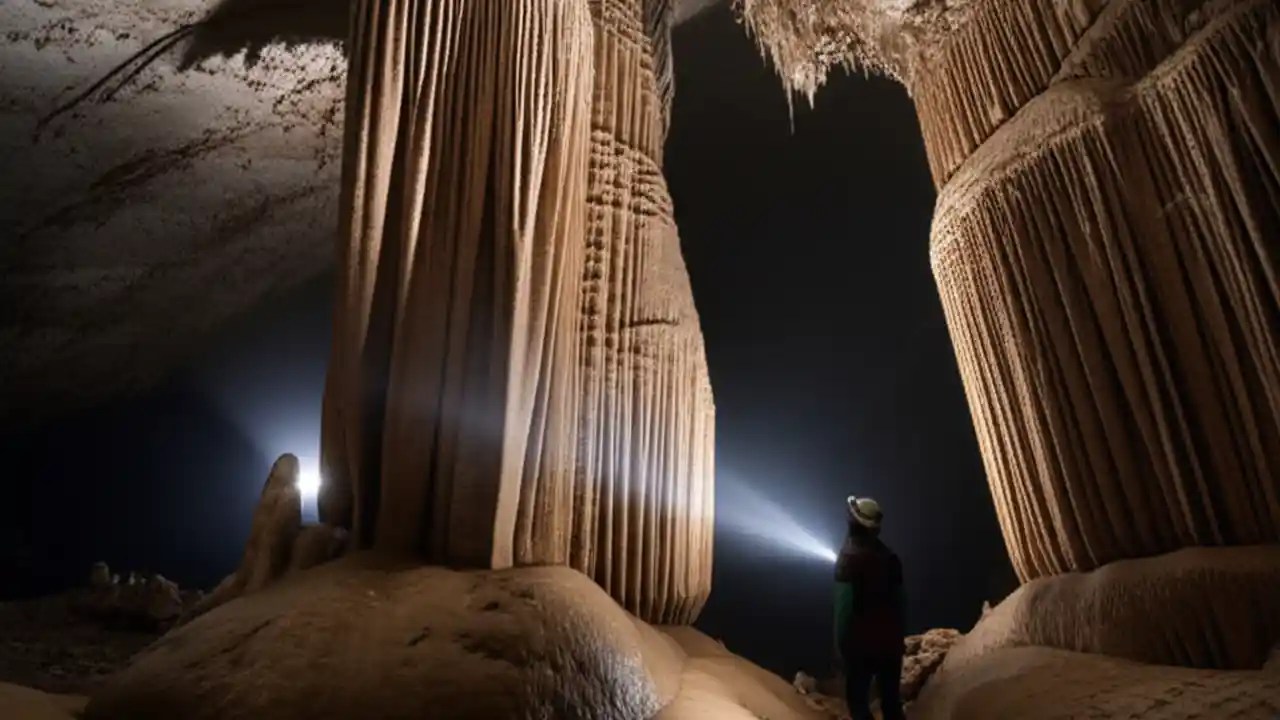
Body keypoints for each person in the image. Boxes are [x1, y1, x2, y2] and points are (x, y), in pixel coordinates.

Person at [834, 496, 906, 720]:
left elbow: (843, 611)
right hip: (890, 645)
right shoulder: (891, 558)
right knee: (892, 704)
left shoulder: (847, 560)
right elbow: (901, 604)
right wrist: (898, 639)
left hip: (858, 647)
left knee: (858, 704)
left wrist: (840, 646)